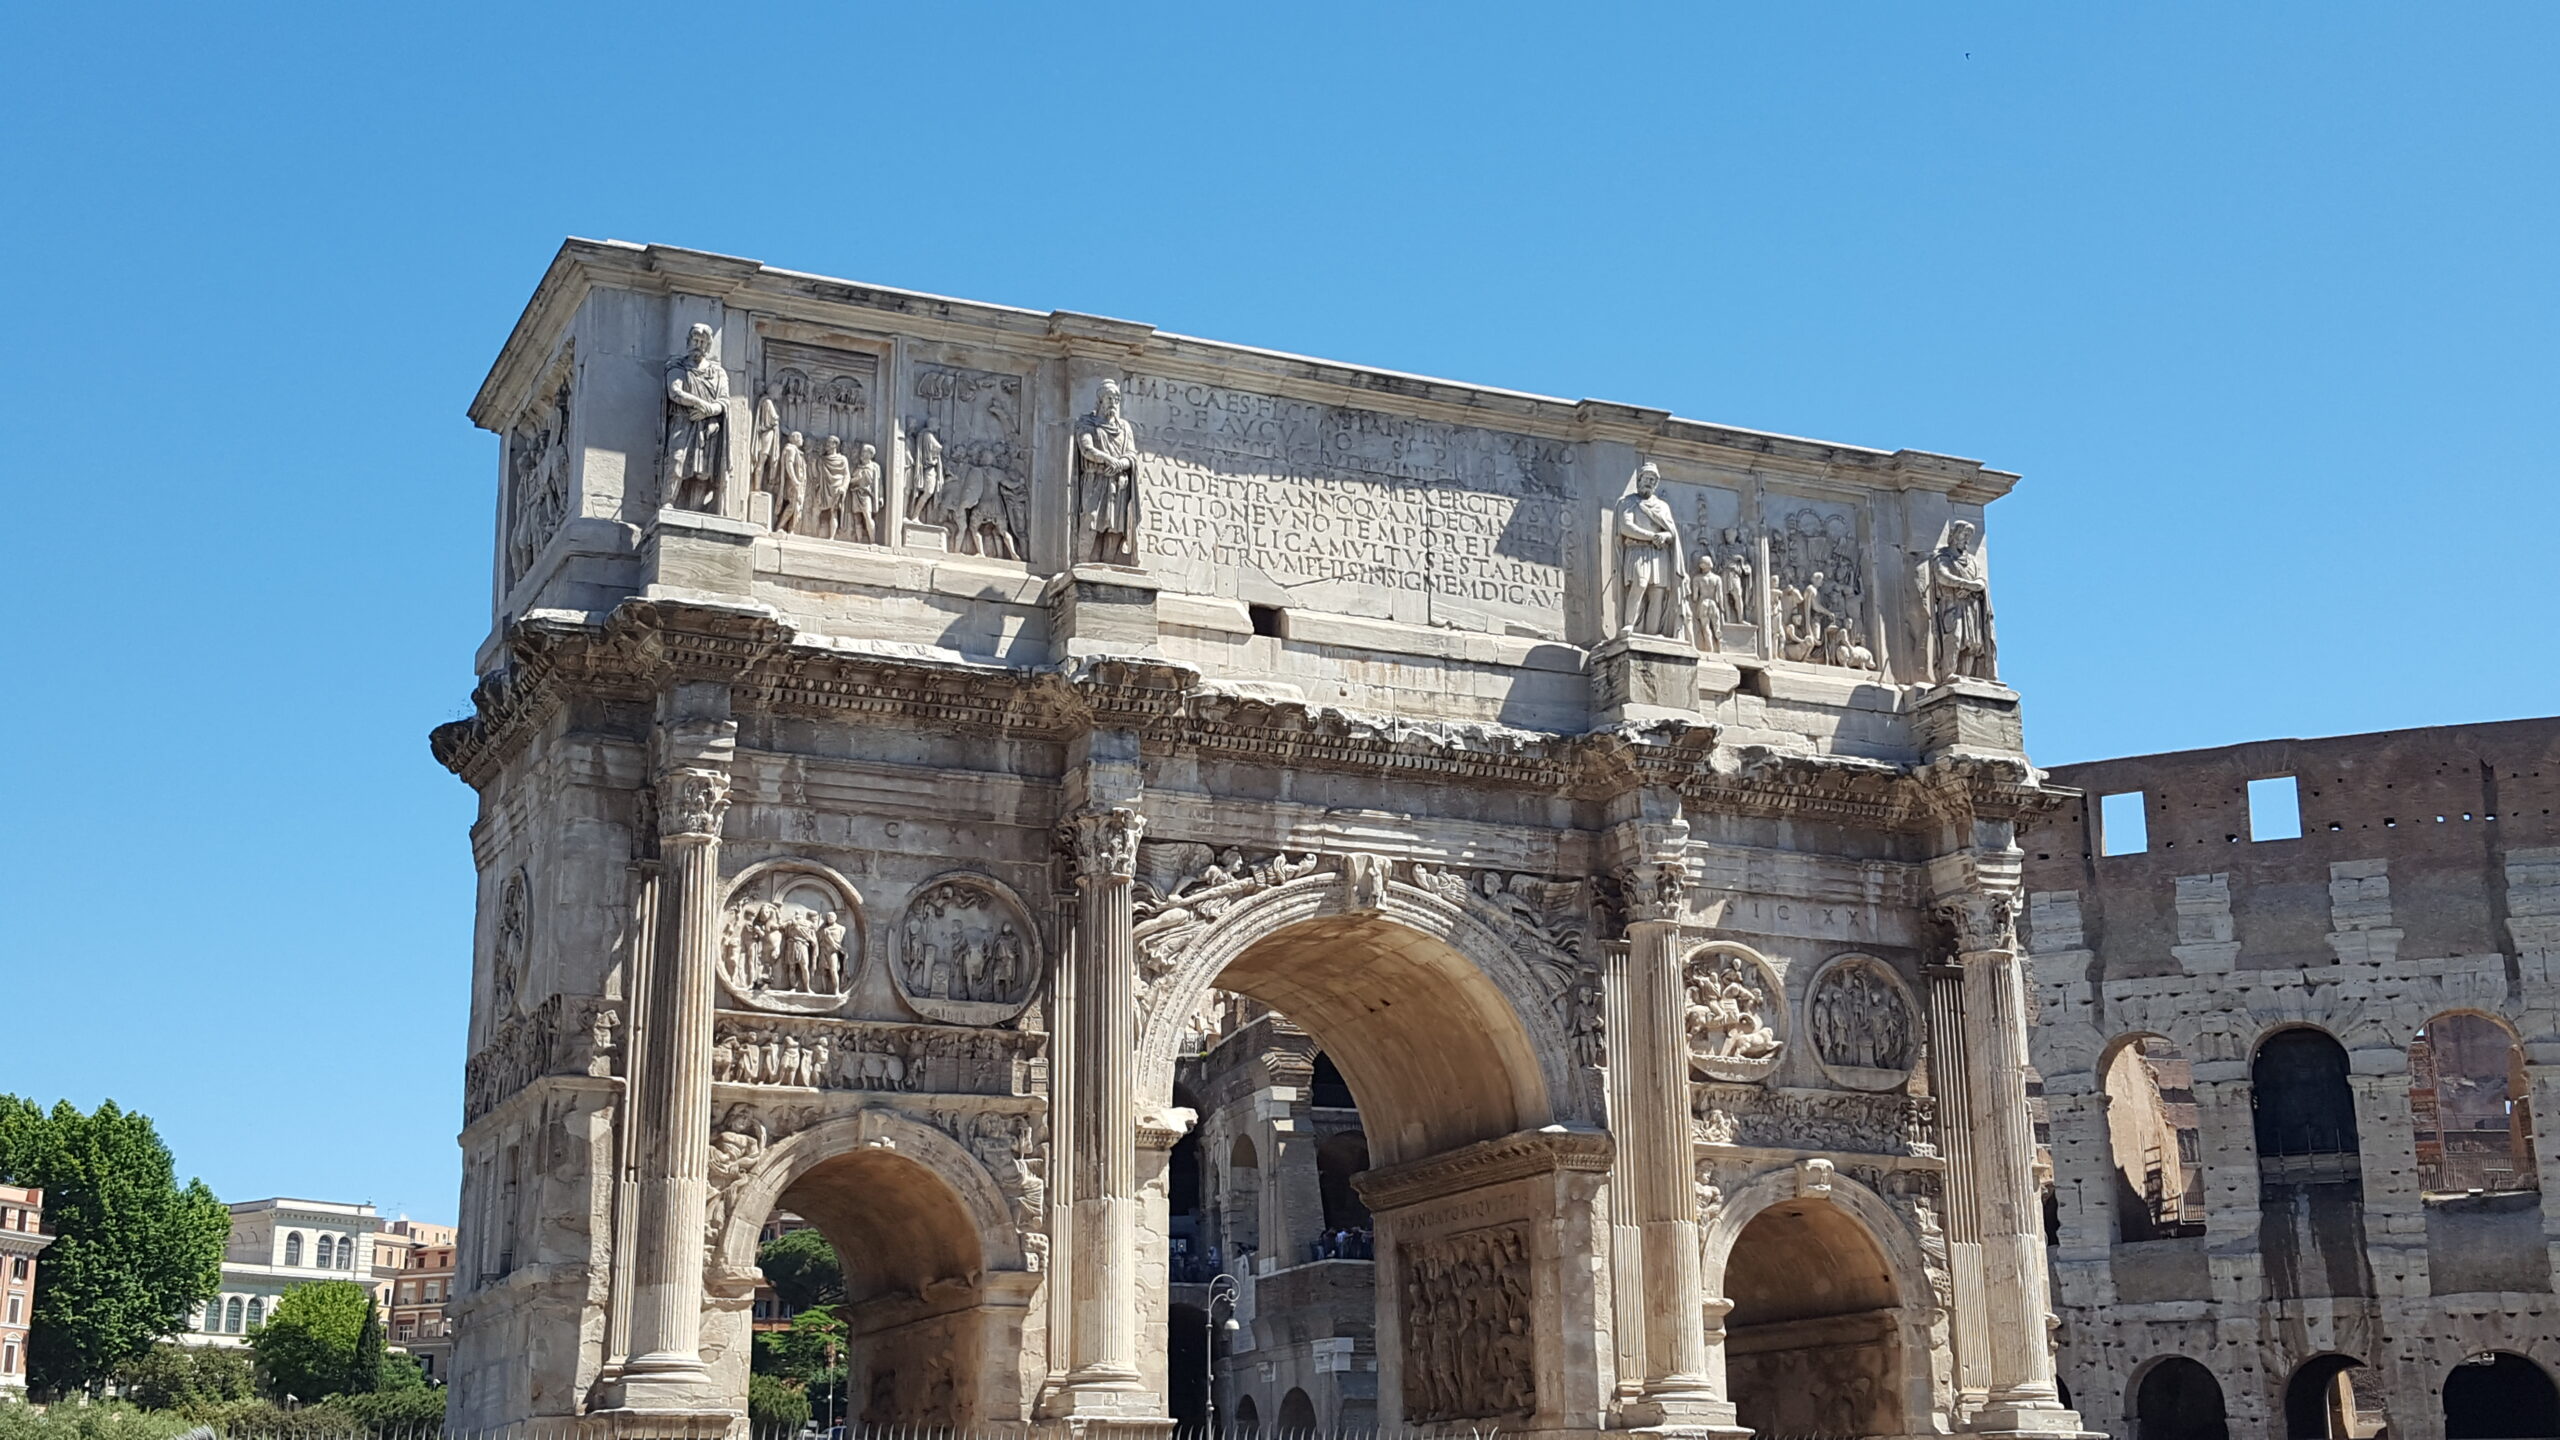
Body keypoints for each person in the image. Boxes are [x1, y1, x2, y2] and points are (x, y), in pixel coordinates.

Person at [1613, 463, 1686, 639]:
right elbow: (1626, 527)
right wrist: (1652, 536)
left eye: (1653, 480)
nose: (1649, 482)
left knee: (1657, 592)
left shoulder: (1662, 506)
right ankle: (1629, 625)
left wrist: (1665, 536)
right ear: (1639, 480)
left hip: (1659, 554)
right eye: (1646, 478)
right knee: (1639, 585)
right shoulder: (1628, 502)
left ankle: (1653, 634)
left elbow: (1672, 531)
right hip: (1637, 550)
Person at [662, 323, 728, 511]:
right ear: (688, 341)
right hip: (682, 421)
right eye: (695, 340)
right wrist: (702, 404)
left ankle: (695, 509)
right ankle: (668, 502)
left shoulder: (718, 373)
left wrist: (708, 411)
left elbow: (724, 402)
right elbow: (675, 392)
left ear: (708, 346)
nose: (698, 344)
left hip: (708, 426)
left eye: (703, 341)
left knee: (703, 471)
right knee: (676, 460)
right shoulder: (677, 366)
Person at [1074, 380, 1141, 564]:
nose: (1113, 402)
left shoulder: (1124, 428)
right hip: (1095, 479)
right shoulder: (1087, 423)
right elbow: (1086, 448)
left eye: (1116, 398)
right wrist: (1108, 459)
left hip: (1118, 483)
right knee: (1091, 519)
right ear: (1100, 400)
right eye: (1109, 398)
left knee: (1115, 527)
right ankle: (1083, 562)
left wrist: (1120, 464)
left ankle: (1108, 564)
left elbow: (1131, 455)